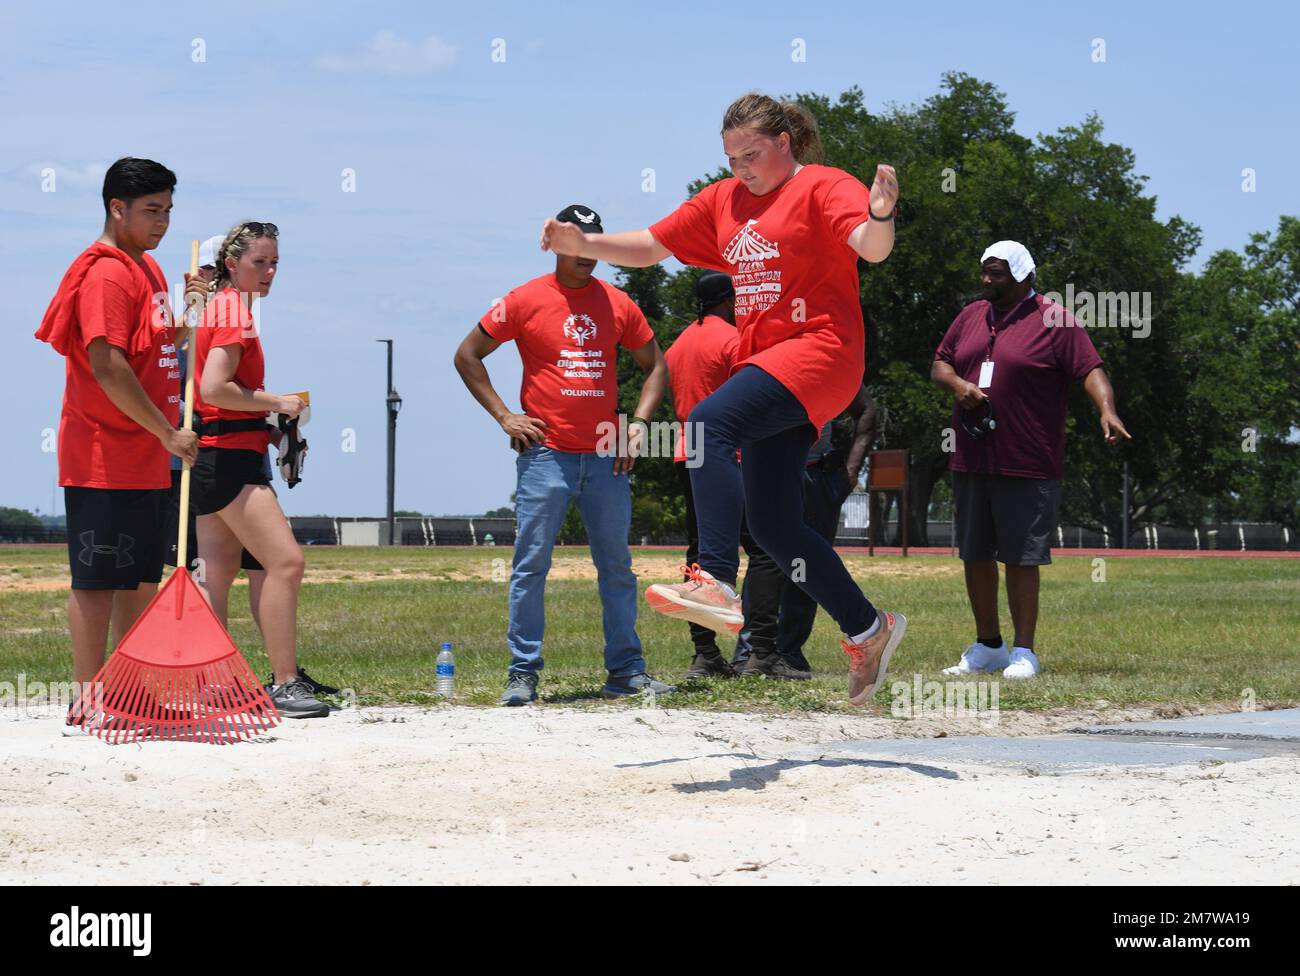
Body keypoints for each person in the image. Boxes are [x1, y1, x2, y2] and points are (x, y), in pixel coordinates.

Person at [540, 95, 906, 706]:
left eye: (752, 155)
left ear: (785, 143)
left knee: (708, 421)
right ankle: (870, 629)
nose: (742, 168)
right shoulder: (722, 201)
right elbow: (653, 247)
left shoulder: (820, 186)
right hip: (769, 365)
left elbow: (870, 245)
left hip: (823, 350)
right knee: (773, 525)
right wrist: (586, 243)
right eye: (732, 157)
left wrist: (883, 213)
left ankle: (711, 578)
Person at [454, 204, 674, 705]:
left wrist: (638, 424)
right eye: (575, 244)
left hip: (605, 455)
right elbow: (467, 354)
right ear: (555, 245)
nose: (586, 255)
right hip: (545, 455)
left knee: (616, 567)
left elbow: (656, 365)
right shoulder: (525, 299)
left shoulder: (618, 304)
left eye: (592, 243)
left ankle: (626, 673)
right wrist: (504, 415)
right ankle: (523, 673)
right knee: (531, 566)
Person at [35, 157, 197, 733]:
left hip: (150, 453)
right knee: (99, 580)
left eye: (169, 211)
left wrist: (190, 310)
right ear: (116, 208)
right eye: (152, 211)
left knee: (140, 578)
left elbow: (157, 345)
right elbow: (108, 364)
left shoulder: (149, 270)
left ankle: (130, 694)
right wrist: (167, 432)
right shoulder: (107, 273)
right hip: (104, 452)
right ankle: (87, 698)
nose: (163, 222)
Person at [931, 241, 1131, 678]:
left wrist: (1106, 409)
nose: (986, 280)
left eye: (996, 273)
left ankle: (1024, 652)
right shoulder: (969, 316)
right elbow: (941, 363)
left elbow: (1089, 369)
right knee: (975, 554)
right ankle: (988, 646)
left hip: (1027, 460)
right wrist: (958, 386)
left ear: (1022, 275)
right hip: (972, 456)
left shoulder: (1055, 319)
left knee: (1022, 557)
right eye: (984, 271)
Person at [165, 235, 337, 697]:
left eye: (276, 262)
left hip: (214, 453)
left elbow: (209, 394)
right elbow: (215, 389)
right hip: (230, 459)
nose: (270, 272)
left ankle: (211, 683)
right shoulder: (233, 313)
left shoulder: (216, 308)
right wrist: (277, 402)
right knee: (285, 562)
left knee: (215, 573)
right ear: (231, 263)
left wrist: (270, 426)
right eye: (260, 262)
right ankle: (285, 681)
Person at [662, 272, 782, 679]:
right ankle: (759, 652)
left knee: (700, 555)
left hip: (686, 450)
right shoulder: (733, 340)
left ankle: (705, 654)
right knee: (765, 549)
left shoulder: (679, 343)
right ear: (730, 301)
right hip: (728, 454)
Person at [743, 383, 878, 680]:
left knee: (807, 567)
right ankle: (755, 651)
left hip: (817, 475)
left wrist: (852, 470)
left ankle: (789, 652)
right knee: (766, 559)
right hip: (772, 472)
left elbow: (866, 408)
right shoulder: (760, 363)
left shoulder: (825, 361)